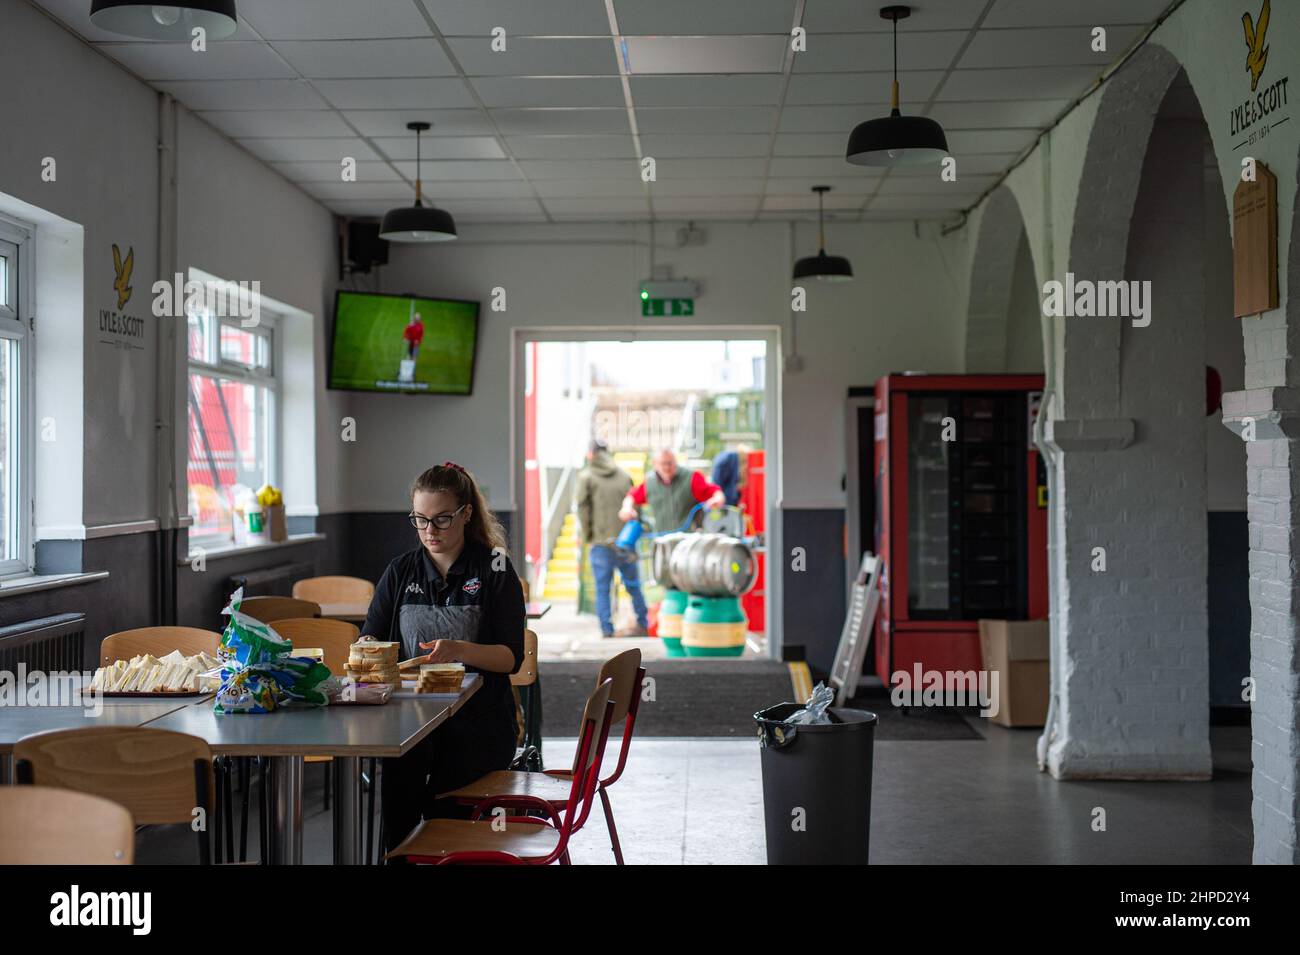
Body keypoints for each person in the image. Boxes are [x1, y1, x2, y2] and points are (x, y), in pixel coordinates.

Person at [362, 461, 524, 853]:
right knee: (400, 817)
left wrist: (458, 650)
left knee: (446, 818)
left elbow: (510, 658)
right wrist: (366, 651)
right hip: (408, 725)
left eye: (442, 520)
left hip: (479, 726)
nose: (429, 532)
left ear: (466, 514)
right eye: (420, 520)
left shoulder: (495, 570)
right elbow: (371, 634)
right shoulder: (400, 571)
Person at [576, 440, 650, 638]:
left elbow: (583, 509)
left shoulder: (586, 477)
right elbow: (637, 508)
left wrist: (589, 536)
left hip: (601, 543)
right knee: (634, 585)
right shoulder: (625, 476)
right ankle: (644, 624)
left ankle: (607, 629)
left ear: (590, 454)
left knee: (602, 589)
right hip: (626, 542)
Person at [619, 447, 726, 534]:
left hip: (688, 542)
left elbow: (715, 492)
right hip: (662, 542)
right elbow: (631, 496)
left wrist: (718, 498)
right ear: (655, 464)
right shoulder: (649, 483)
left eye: (670, 463)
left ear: (675, 462)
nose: (667, 467)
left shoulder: (692, 478)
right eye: (663, 463)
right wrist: (626, 508)